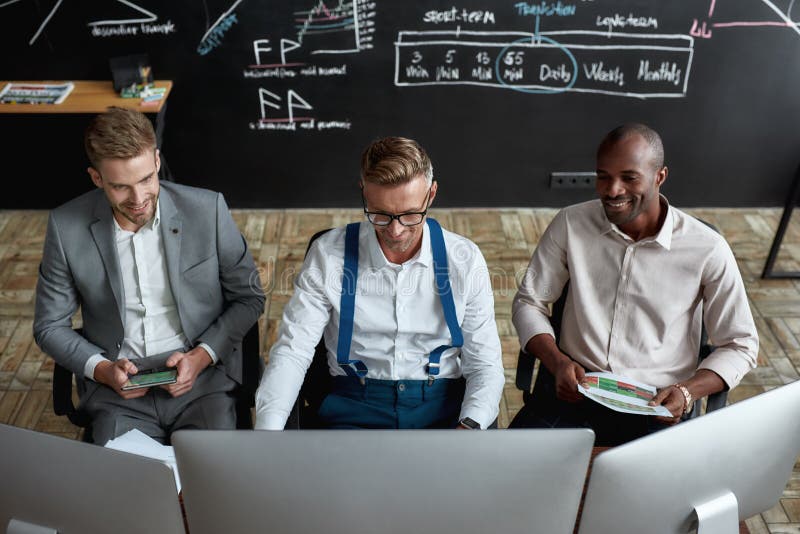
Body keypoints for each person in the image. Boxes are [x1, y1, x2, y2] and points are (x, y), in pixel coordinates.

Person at [510, 123, 758, 445]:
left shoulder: (707, 249)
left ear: (659, 176)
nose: (612, 190)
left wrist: (687, 392)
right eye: (603, 176)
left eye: (629, 178)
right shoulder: (571, 223)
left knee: (654, 494)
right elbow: (529, 302)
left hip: (655, 405)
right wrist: (557, 362)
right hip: (573, 391)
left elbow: (740, 344)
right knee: (509, 480)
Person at [33, 107, 265, 445]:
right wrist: (101, 370)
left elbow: (249, 297)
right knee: (125, 491)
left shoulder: (208, 210)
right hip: (117, 388)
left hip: (202, 379)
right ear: (97, 179)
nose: (139, 199)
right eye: (120, 187)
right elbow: (48, 326)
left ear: (157, 161)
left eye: (145, 180)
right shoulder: (65, 227)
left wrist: (200, 357)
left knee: (212, 484)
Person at [255, 136, 504, 430]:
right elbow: (292, 352)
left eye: (411, 215)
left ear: (431, 194)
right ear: (363, 193)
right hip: (351, 410)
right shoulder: (328, 254)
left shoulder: (464, 259)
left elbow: (485, 365)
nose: (396, 231)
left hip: (441, 411)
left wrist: (470, 425)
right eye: (380, 215)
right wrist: (267, 433)